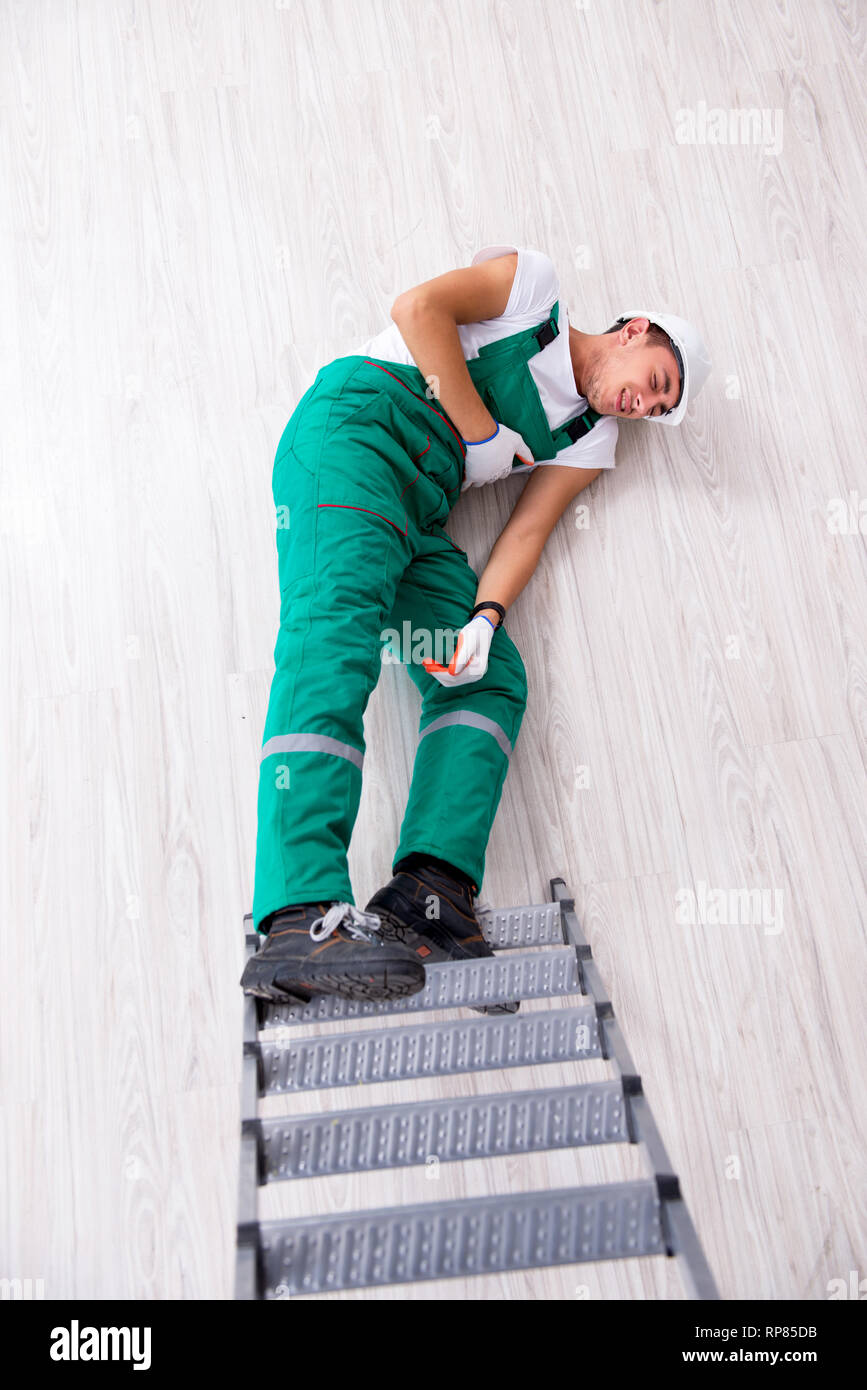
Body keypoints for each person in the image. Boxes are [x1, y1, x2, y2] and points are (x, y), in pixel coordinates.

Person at [240, 243, 712, 1011]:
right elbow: (417, 310)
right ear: (635, 331)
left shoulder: (591, 440)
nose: (643, 405)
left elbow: (525, 533)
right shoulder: (532, 291)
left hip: (417, 512)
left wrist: (485, 618)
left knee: (487, 677)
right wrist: (481, 434)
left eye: (657, 410)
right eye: (653, 383)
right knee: (334, 642)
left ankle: (430, 897)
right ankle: (296, 915)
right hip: (353, 440)